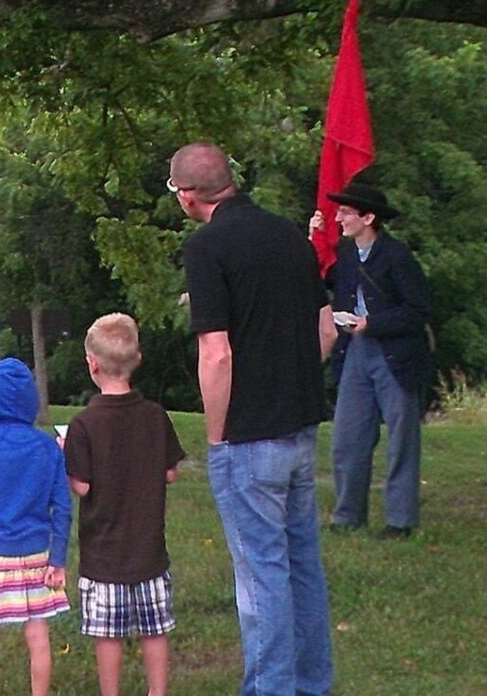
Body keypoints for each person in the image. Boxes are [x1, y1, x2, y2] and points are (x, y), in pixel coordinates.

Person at [171, 142, 338, 696]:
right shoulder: (290, 236)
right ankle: (310, 683)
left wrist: (216, 436)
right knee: (302, 565)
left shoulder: (207, 247)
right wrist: (287, 378)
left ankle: (270, 688)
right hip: (300, 424)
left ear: (187, 195)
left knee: (260, 574)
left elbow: (216, 353)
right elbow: (326, 330)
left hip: (248, 435)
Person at [63, 313, 187, 696]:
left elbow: (82, 486)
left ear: (92, 364)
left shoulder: (84, 424)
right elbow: (170, 473)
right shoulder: (155, 416)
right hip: (150, 550)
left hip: (104, 554)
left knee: (109, 636)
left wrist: (65, 454)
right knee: (155, 630)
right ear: (137, 359)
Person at [309, 181, 432, 539]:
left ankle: (400, 521)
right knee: (348, 438)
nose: (338, 219)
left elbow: (418, 310)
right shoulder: (347, 255)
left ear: (368, 218)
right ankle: (348, 516)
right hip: (355, 352)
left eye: (345, 213)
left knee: (401, 441)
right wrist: (315, 239)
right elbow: (321, 278)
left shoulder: (397, 257)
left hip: (396, 356)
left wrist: (372, 324)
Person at [0, 358, 71, 696]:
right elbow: (62, 507)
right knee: (38, 634)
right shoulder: (48, 447)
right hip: (36, 553)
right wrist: (58, 558)